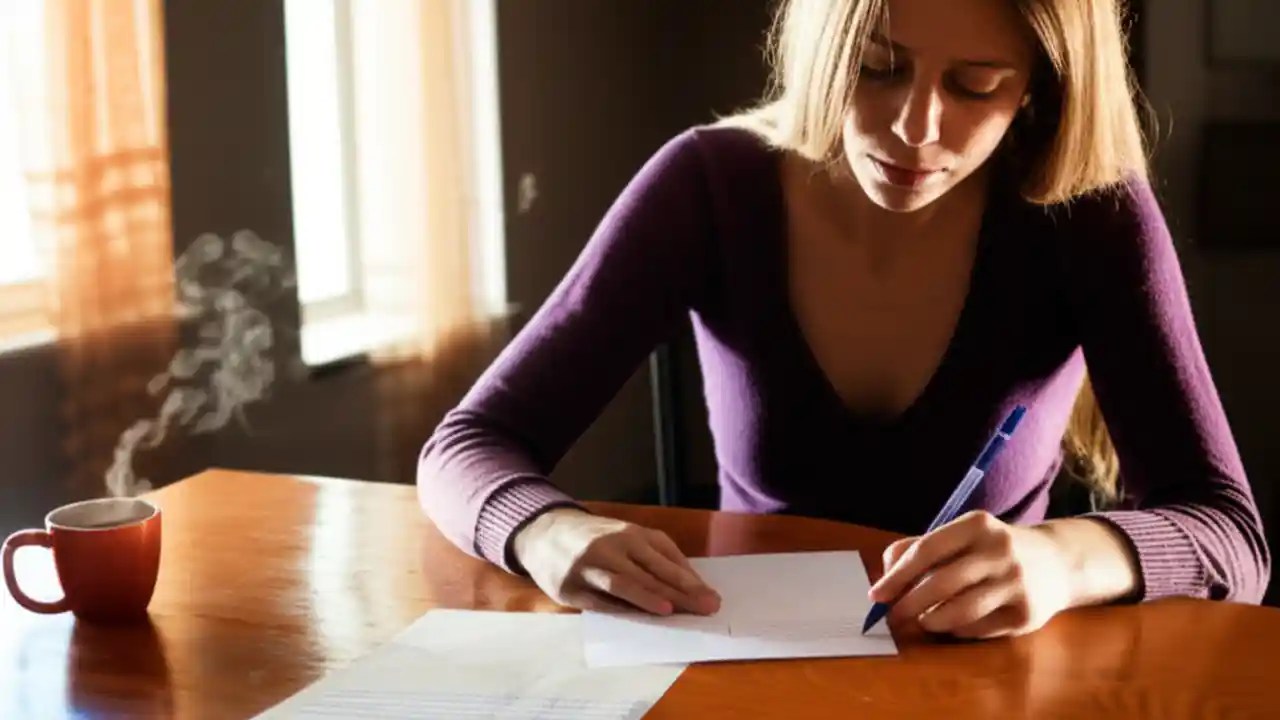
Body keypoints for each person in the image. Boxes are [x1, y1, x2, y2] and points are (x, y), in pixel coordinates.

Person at [418, 0, 1271, 639]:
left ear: (1039, 94)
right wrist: (544, 529)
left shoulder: (1090, 216)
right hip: (736, 652)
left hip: (985, 677)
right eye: (877, 67)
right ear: (823, 49)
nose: (915, 128)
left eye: (976, 85)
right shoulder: (709, 186)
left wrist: (1059, 561)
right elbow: (468, 445)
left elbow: (1229, 535)